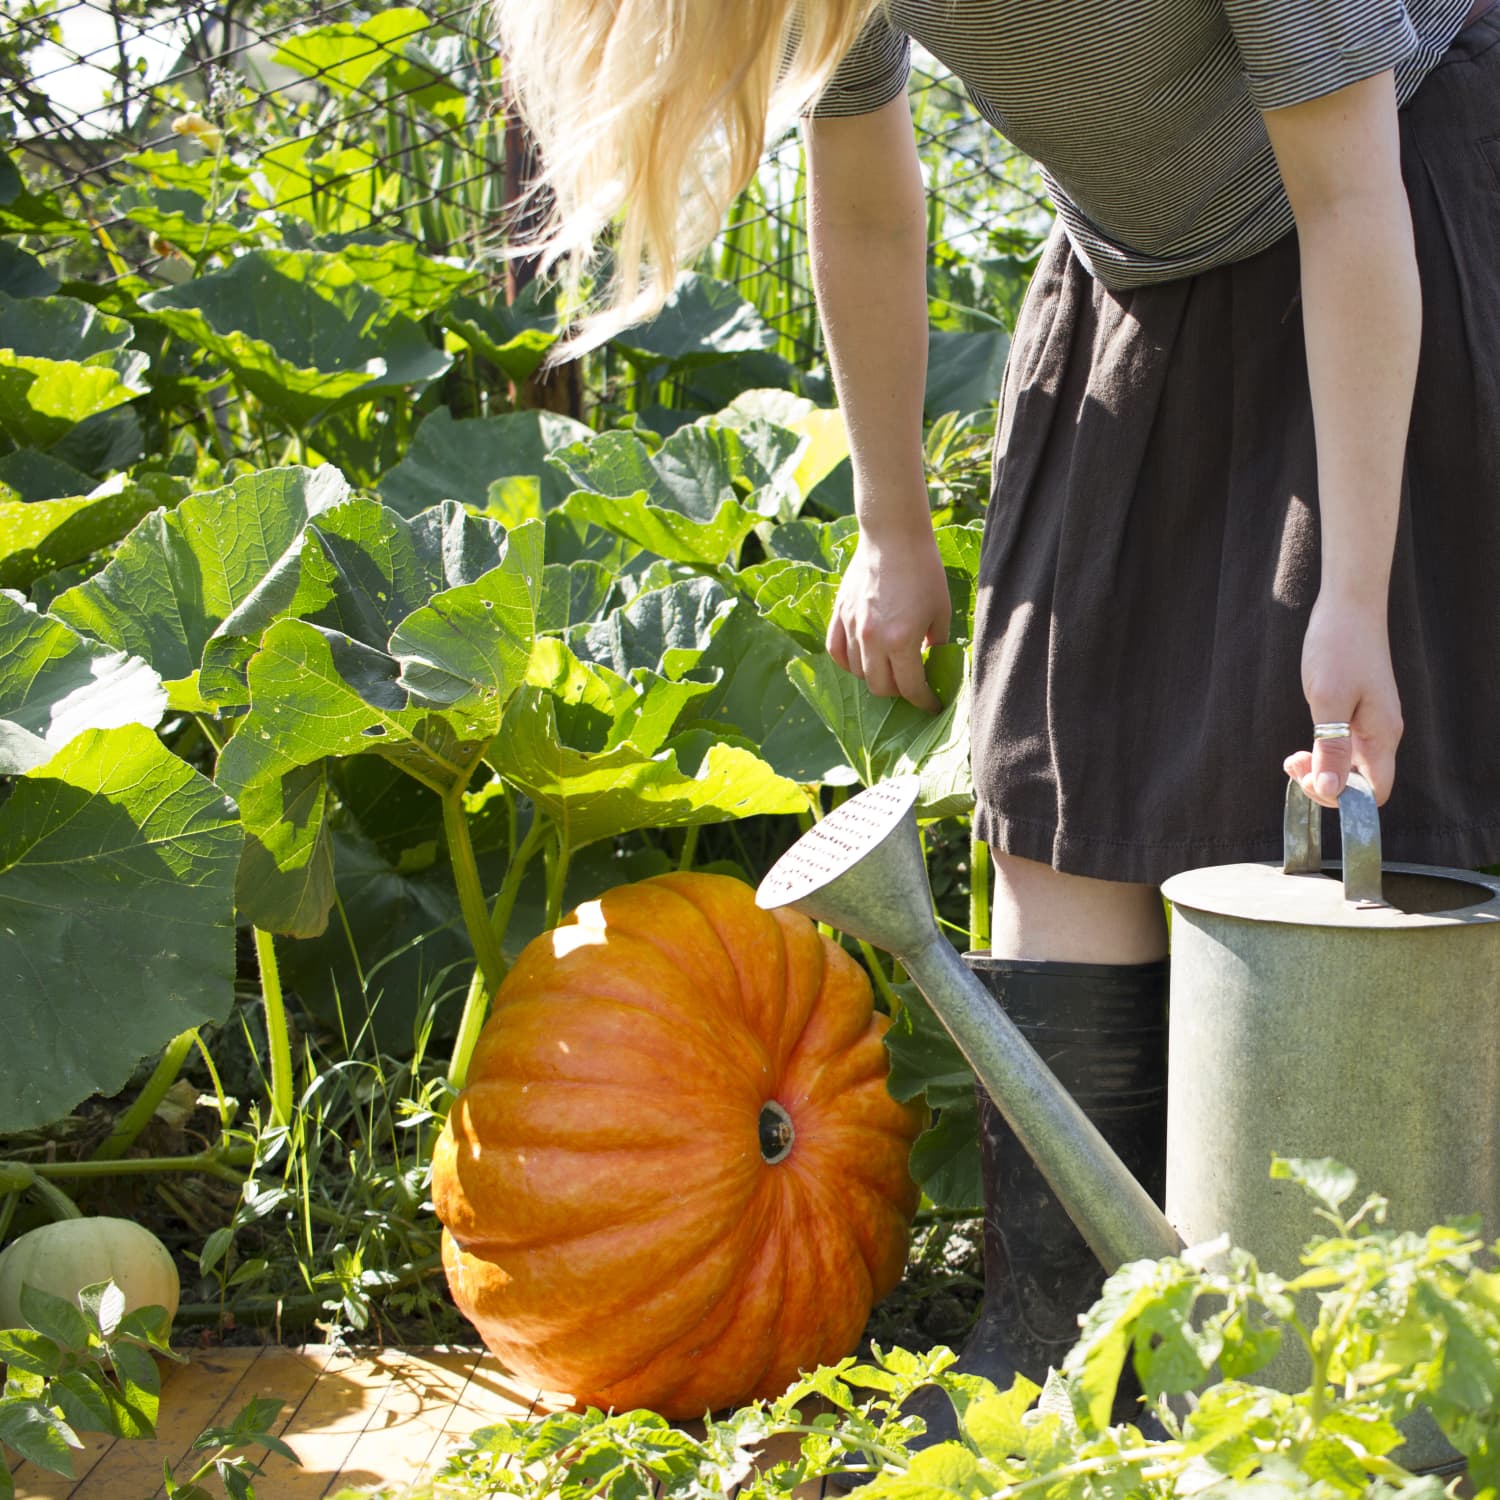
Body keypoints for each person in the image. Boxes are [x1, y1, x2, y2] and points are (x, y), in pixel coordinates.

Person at [491, 0, 1500, 1433]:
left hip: (1397, 205)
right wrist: (892, 525)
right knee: (1052, 771)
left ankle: (1357, 1376)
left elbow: (1346, 197)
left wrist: (1354, 589)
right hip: (1135, 262)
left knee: (1371, 769)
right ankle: (1062, 1345)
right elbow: (866, 208)